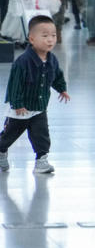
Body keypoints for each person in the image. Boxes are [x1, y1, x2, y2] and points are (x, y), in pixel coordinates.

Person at [0, 15, 69, 174]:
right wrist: (17, 104)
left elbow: (56, 75)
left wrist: (62, 89)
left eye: (53, 35)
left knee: (41, 134)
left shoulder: (52, 60)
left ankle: (41, 161)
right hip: (20, 109)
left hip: (39, 107)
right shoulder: (23, 62)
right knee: (10, 134)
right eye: (44, 36)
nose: (50, 40)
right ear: (31, 39)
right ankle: (1, 150)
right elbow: (15, 85)